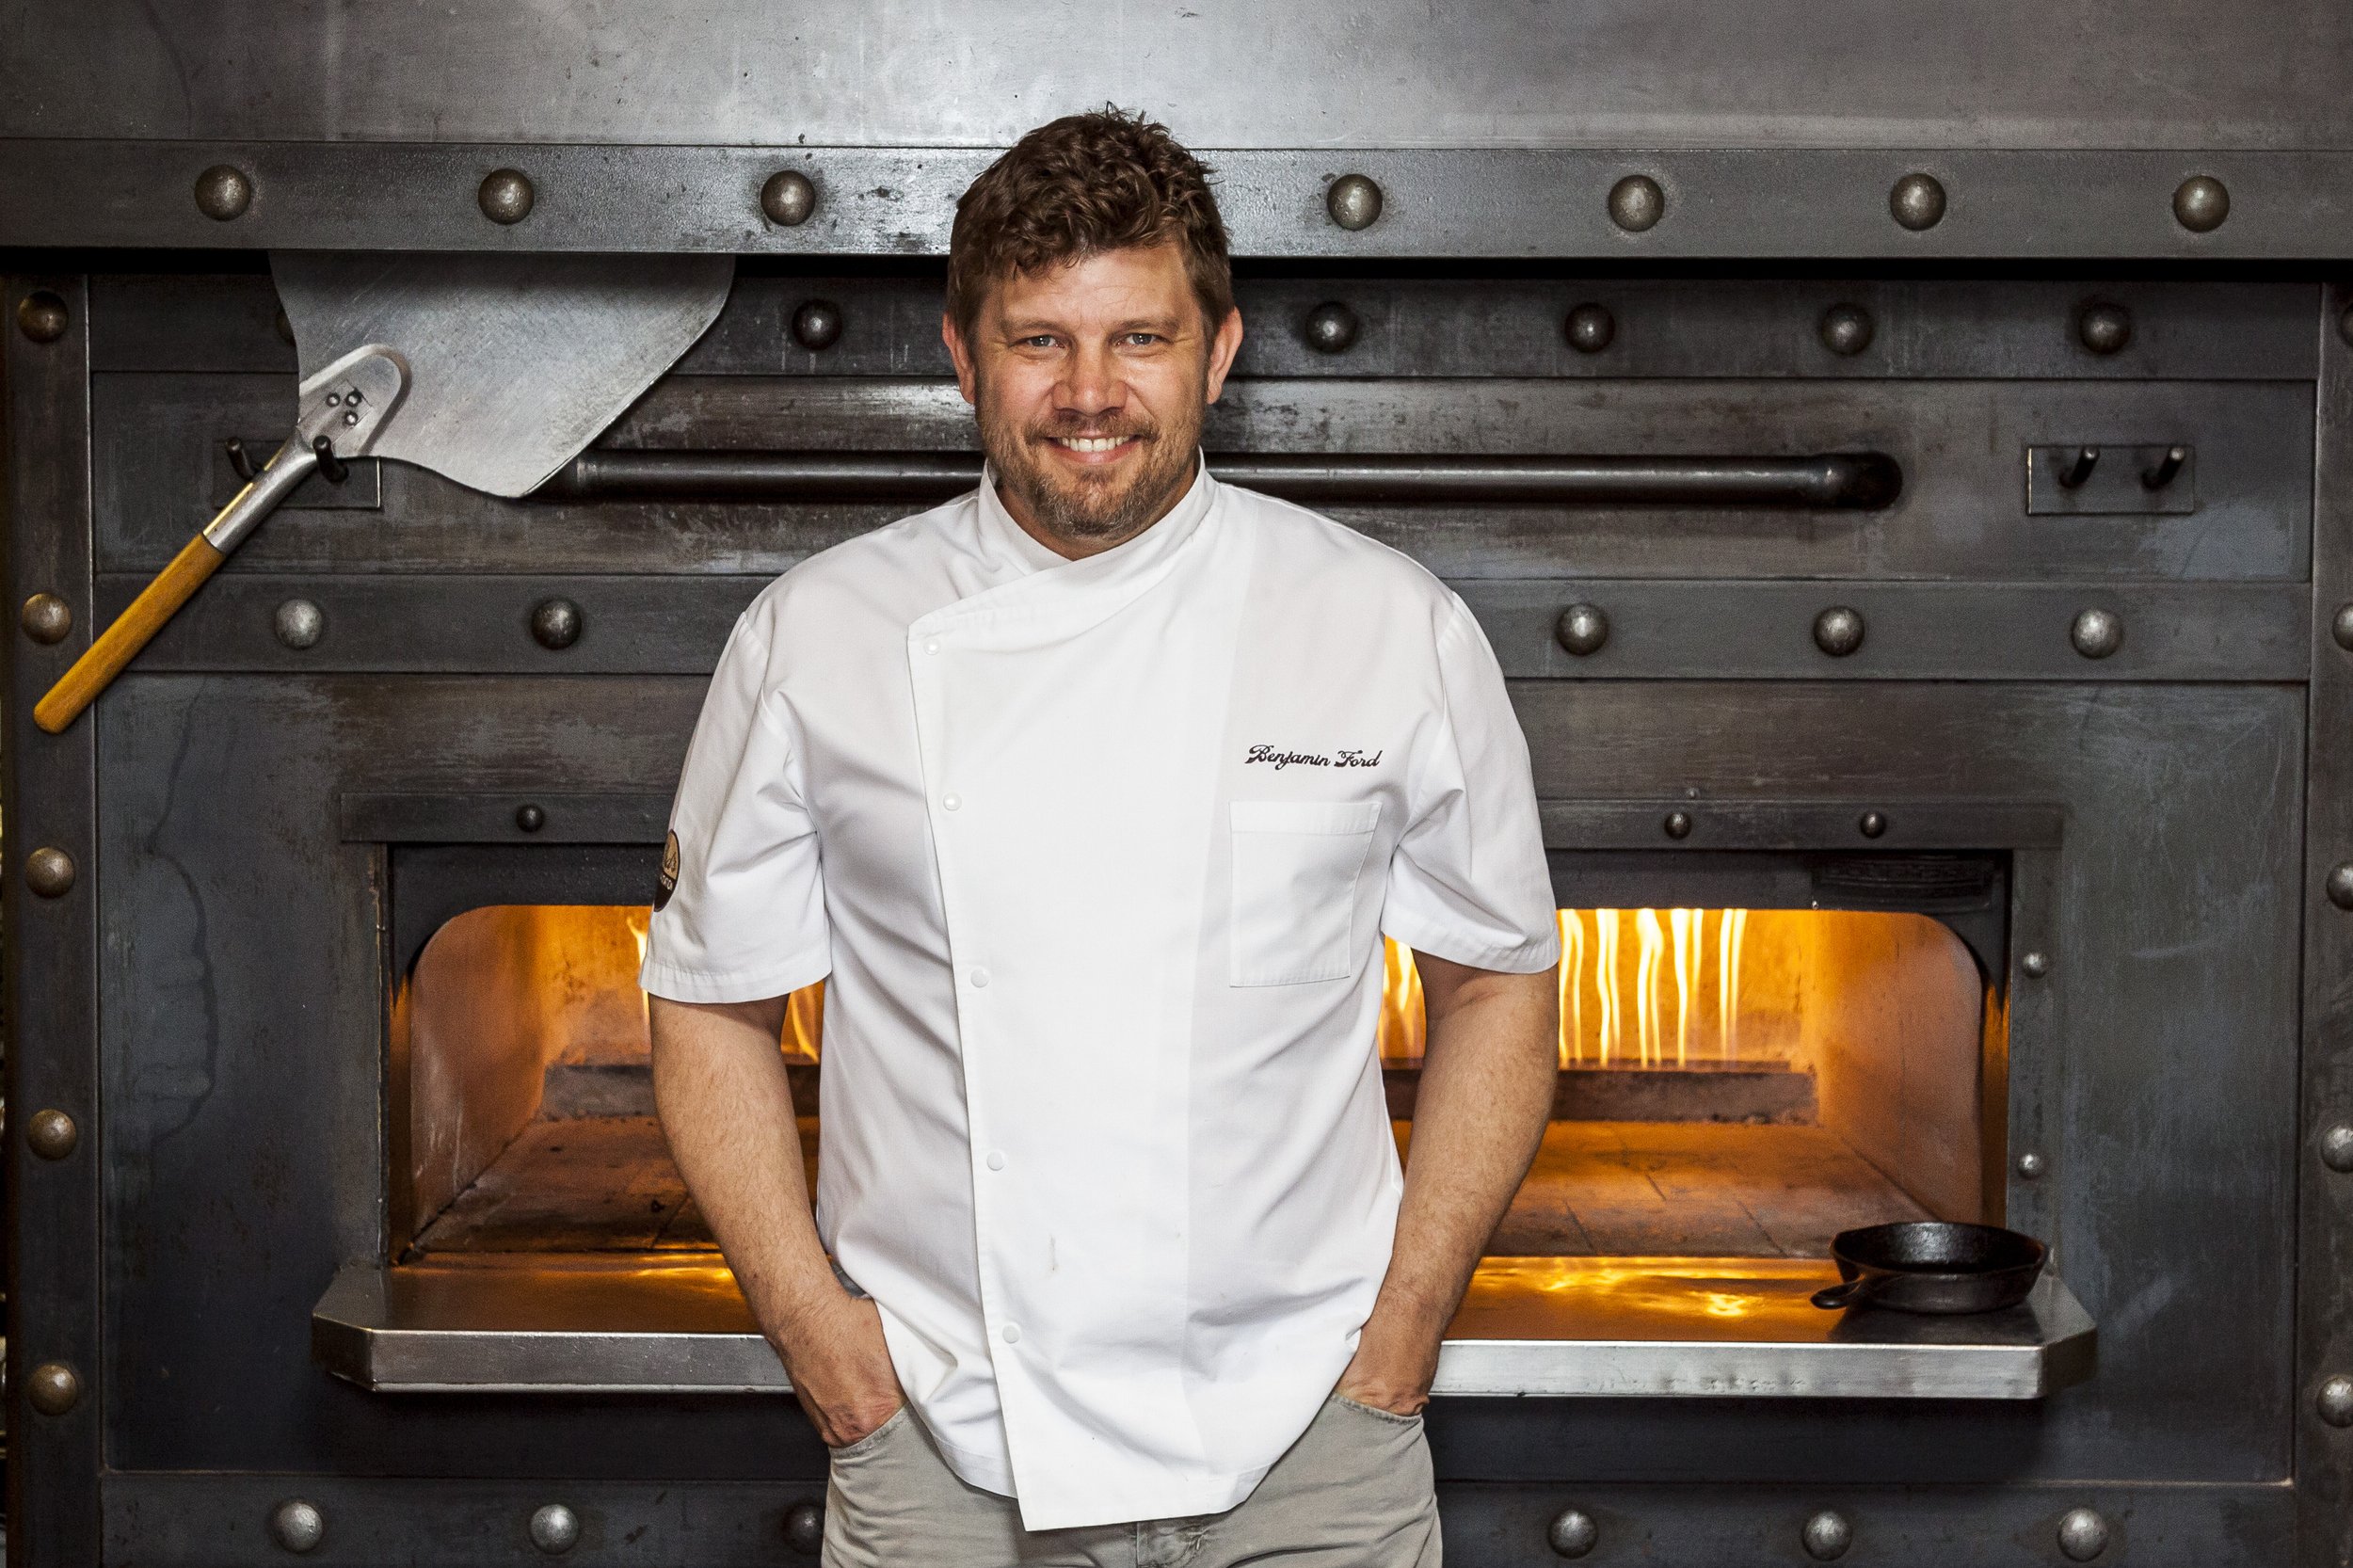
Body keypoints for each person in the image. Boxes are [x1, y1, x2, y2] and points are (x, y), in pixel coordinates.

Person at [641, 108, 1561, 1567]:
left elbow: (1501, 982)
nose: (1089, 393)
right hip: (945, 1445)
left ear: (1220, 350)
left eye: (1138, 338)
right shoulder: (816, 636)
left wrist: (1403, 1333)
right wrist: (822, 1339)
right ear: (961, 356)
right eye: (1038, 340)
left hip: (1313, 1439)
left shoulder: (1387, 625)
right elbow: (706, 1004)